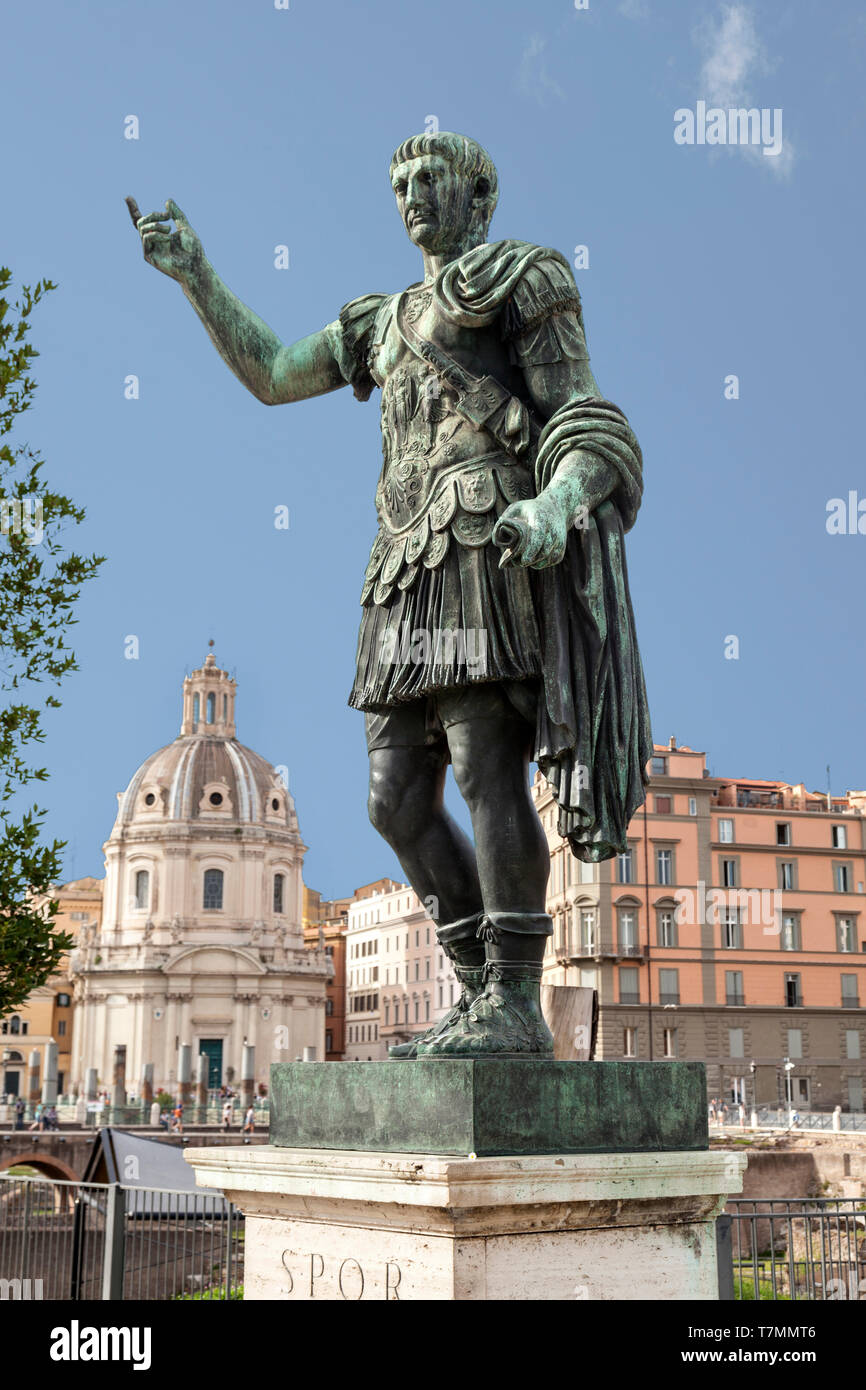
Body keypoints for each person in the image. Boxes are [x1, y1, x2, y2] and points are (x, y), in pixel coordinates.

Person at [128, 130, 650, 1060]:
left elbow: (584, 416)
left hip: (481, 540)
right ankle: (478, 987)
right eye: (400, 181)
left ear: (478, 194)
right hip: (402, 564)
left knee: (487, 769)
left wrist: (556, 504)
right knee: (393, 799)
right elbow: (276, 374)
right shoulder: (382, 318)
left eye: (430, 177)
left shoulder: (526, 279)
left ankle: (517, 1002)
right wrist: (196, 278)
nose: (410, 193)